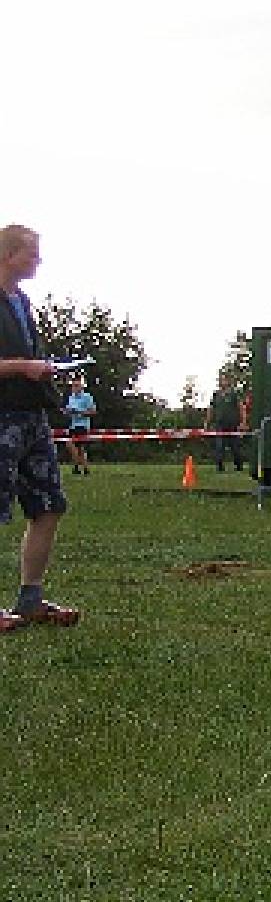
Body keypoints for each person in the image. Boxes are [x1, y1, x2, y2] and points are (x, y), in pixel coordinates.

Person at [0, 224, 80, 631]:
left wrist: (45, 370)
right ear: (7, 255)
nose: (38, 260)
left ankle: (30, 599)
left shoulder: (23, 302)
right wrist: (22, 367)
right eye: (31, 253)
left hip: (33, 417)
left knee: (48, 506)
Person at [206, 376, 246, 471]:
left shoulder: (234, 394)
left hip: (233, 424)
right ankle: (219, 466)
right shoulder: (216, 395)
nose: (222, 382)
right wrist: (207, 422)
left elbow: (241, 407)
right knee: (219, 446)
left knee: (235, 447)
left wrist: (243, 422)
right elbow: (211, 409)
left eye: (224, 380)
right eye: (221, 380)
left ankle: (239, 465)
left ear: (228, 382)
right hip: (220, 424)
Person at [63, 376, 95, 475]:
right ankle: (83, 468)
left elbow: (92, 411)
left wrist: (79, 412)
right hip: (73, 425)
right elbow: (67, 411)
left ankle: (80, 467)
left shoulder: (87, 397)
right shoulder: (71, 397)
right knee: (72, 446)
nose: (74, 388)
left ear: (81, 386)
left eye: (76, 386)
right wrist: (67, 412)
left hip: (83, 425)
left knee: (79, 447)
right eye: (73, 386)